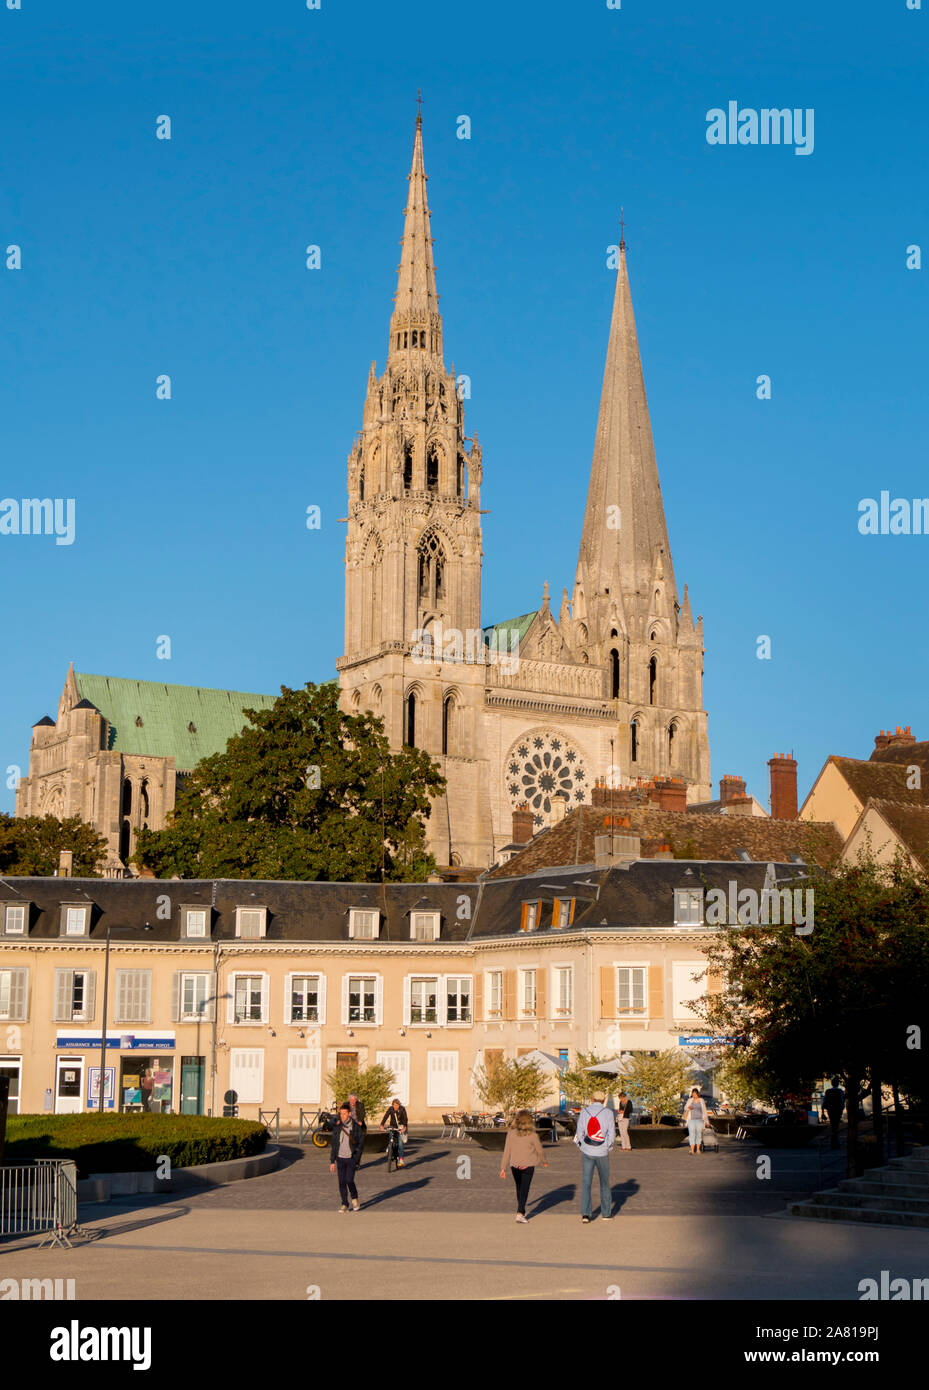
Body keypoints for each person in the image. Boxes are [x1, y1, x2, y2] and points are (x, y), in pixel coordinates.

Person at [499, 1109, 548, 1223]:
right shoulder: (533, 1135)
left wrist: (503, 1168)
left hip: (514, 1165)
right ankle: (520, 1213)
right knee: (524, 1190)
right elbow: (539, 1150)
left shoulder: (511, 1133)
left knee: (519, 1188)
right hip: (528, 1165)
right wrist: (544, 1160)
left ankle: (520, 1210)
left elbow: (507, 1151)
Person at [574, 1090, 615, 1222]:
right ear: (603, 1100)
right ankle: (606, 1213)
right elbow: (612, 1134)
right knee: (604, 1183)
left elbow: (579, 1132)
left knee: (586, 1183)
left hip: (587, 1151)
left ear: (592, 1099)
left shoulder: (584, 1112)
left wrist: (582, 1146)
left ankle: (585, 1214)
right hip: (602, 1151)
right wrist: (607, 1147)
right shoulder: (608, 1113)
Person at [329, 1103, 364, 1211]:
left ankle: (354, 1198)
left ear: (349, 1114)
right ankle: (344, 1204)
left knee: (349, 1180)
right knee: (341, 1182)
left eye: (344, 1114)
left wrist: (356, 1158)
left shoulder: (356, 1127)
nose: (342, 1116)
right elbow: (334, 1144)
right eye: (341, 1114)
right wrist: (332, 1161)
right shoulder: (338, 1126)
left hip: (351, 1158)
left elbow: (361, 1144)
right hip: (340, 1158)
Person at [380, 1098, 409, 1167]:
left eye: (397, 1105)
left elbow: (405, 1119)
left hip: (401, 1127)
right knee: (390, 1136)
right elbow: (386, 1116)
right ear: (392, 1105)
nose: (395, 1106)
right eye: (394, 1105)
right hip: (393, 1126)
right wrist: (382, 1124)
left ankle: (401, 1159)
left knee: (400, 1143)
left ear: (399, 1105)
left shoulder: (402, 1109)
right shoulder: (391, 1109)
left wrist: (404, 1127)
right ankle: (390, 1147)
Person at [822, 1077, 846, 1150]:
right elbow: (842, 1102)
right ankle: (836, 1143)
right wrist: (842, 1109)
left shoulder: (828, 1091)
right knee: (836, 1126)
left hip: (830, 1110)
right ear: (838, 1084)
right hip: (838, 1110)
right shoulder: (840, 1091)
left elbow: (824, 1101)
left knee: (833, 1125)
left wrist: (823, 1111)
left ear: (832, 1084)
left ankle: (833, 1143)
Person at [683, 1087, 708, 1154]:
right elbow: (685, 1107)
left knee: (699, 1135)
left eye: (695, 1094)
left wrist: (707, 1121)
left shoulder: (701, 1100)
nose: (694, 1095)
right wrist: (688, 1107)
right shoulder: (690, 1100)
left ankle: (698, 1149)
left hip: (700, 1120)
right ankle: (692, 1150)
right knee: (692, 1135)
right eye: (693, 1094)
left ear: (697, 1094)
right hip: (691, 1120)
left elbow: (704, 1111)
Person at [346, 1092, 367, 1165]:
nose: (353, 1102)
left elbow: (362, 1113)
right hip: (349, 1127)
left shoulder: (360, 1105)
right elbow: (341, 1114)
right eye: (351, 1100)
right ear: (349, 1100)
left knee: (360, 1146)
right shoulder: (345, 1105)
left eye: (354, 1100)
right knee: (350, 1145)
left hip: (359, 1127)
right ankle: (351, 1161)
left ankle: (357, 1161)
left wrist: (360, 1121)